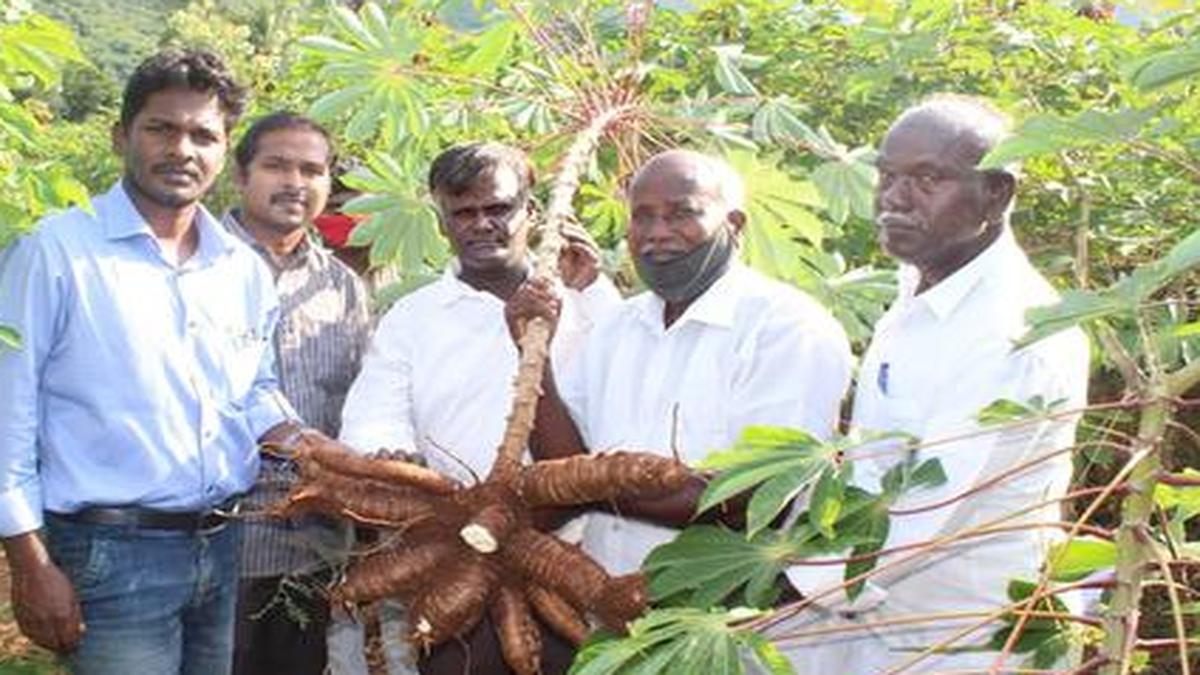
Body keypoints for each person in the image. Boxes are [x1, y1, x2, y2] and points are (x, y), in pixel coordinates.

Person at [0, 50, 306, 674]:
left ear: (224, 153)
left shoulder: (240, 268)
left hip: (221, 544)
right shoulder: (57, 250)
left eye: (203, 135)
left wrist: (316, 448)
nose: (182, 149)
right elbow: (9, 410)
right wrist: (30, 564)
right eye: (161, 128)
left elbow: (255, 391)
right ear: (122, 137)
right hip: (110, 553)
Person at [780, 95, 1091, 672]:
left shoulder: (1016, 332)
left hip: (968, 639)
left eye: (928, 179)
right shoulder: (916, 285)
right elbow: (877, 466)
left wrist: (764, 583)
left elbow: (928, 508)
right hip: (877, 626)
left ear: (996, 194)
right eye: (888, 175)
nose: (894, 198)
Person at [334, 141, 619, 674]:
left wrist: (595, 292)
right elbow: (372, 419)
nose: (481, 224)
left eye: (498, 209)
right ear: (443, 223)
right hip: (451, 553)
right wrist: (393, 461)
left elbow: (625, 404)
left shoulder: (588, 302)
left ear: (530, 212)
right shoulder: (412, 319)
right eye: (463, 213)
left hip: (573, 551)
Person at [513, 148, 854, 576]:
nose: (657, 233)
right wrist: (533, 356)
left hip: (728, 614)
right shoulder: (616, 327)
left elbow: (752, 497)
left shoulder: (787, 328)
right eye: (642, 216)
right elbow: (563, 460)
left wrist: (587, 489)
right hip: (606, 606)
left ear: (734, 225)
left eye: (682, 214)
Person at [222, 112, 371, 675]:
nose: (295, 182)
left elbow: (360, 407)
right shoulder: (195, 267)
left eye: (312, 170)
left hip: (315, 551)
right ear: (240, 175)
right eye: (276, 166)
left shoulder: (343, 288)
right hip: (215, 548)